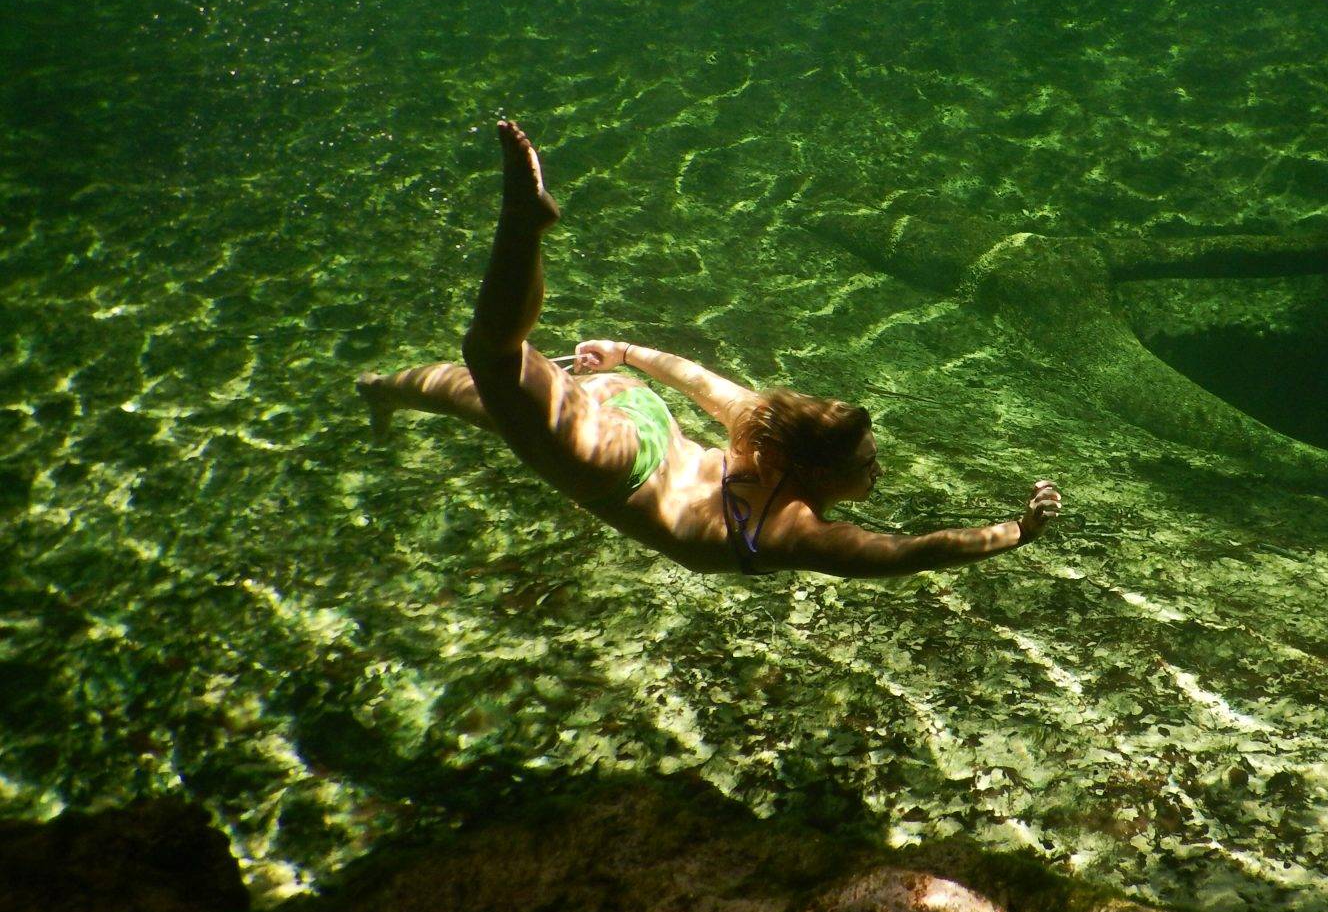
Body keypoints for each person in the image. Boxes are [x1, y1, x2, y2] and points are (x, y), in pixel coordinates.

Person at [357, 121, 1060, 577]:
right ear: (811, 469)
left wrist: (626, 354)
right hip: (617, 464)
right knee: (491, 355)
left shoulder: (763, 432)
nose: (878, 473)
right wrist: (1017, 531)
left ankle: (383, 388)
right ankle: (522, 226)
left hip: (635, 418)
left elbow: (692, 377)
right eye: (866, 464)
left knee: (476, 393)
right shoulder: (792, 529)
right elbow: (908, 551)